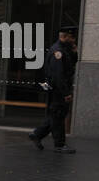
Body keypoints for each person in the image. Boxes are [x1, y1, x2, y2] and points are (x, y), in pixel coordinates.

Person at [29, 25, 79, 153]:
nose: (74, 41)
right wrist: (66, 93)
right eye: (72, 38)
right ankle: (59, 145)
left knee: (56, 115)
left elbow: (71, 64)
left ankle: (37, 134)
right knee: (57, 116)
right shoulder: (58, 52)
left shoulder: (64, 50)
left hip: (59, 89)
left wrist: (74, 52)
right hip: (58, 90)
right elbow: (58, 76)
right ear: (65, 37)